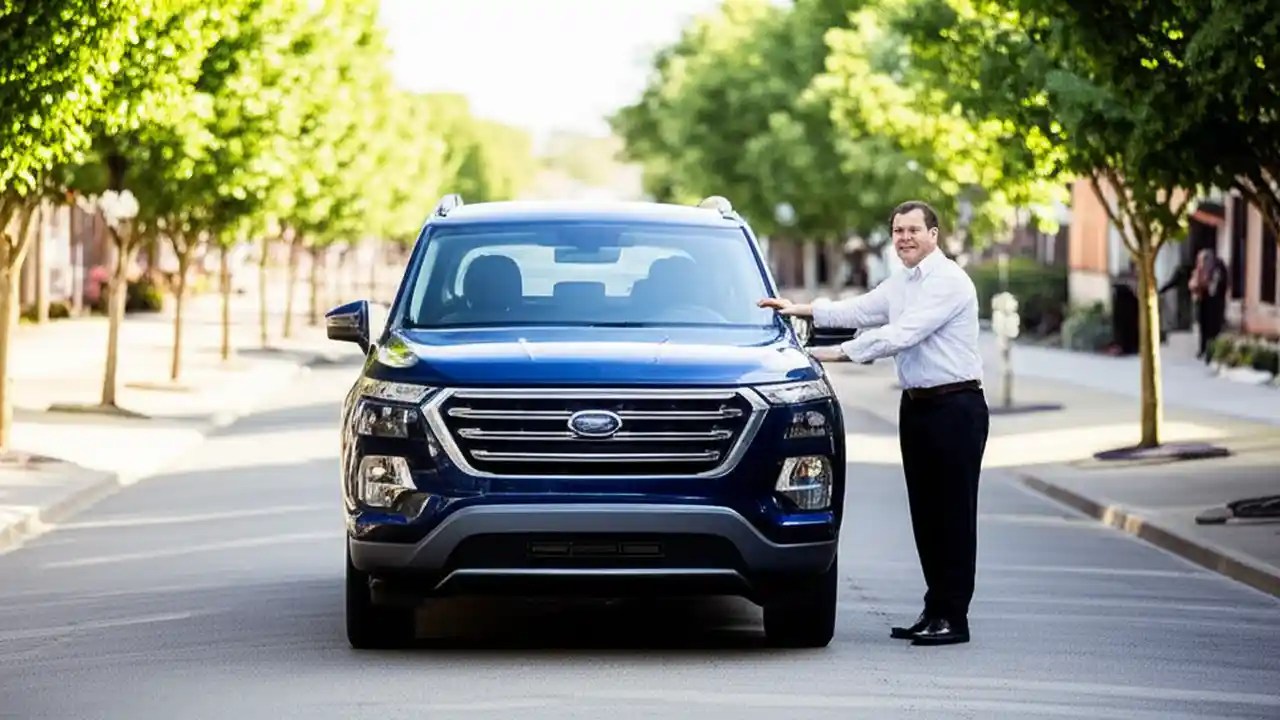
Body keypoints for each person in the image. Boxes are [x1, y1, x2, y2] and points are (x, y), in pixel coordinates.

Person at [758, 200, 988, 646]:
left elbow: (901, 335)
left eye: (913, 230)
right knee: (925, 514)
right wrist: (799, 309)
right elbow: (859, 311)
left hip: (955, 408)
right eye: (898, 230)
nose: (904, 237)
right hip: (917, 406)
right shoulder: (901, 283)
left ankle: (953, 617)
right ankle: (934, 608)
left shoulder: (949, 282)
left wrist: (833, 354)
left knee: (953, 515)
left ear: (934, 235)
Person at [1188, 248, 1228, 363]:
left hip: (1215, 305)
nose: (1200, 264)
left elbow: (1214, 289)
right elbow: (1193, 283)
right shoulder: (1200, 270)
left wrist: (1203, 284)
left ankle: (1211, 352)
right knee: (1203, 327)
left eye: (1202, 261)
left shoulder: (1218, 269)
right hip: (1203, 303)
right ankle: (1203, 349)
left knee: (1213, 329)